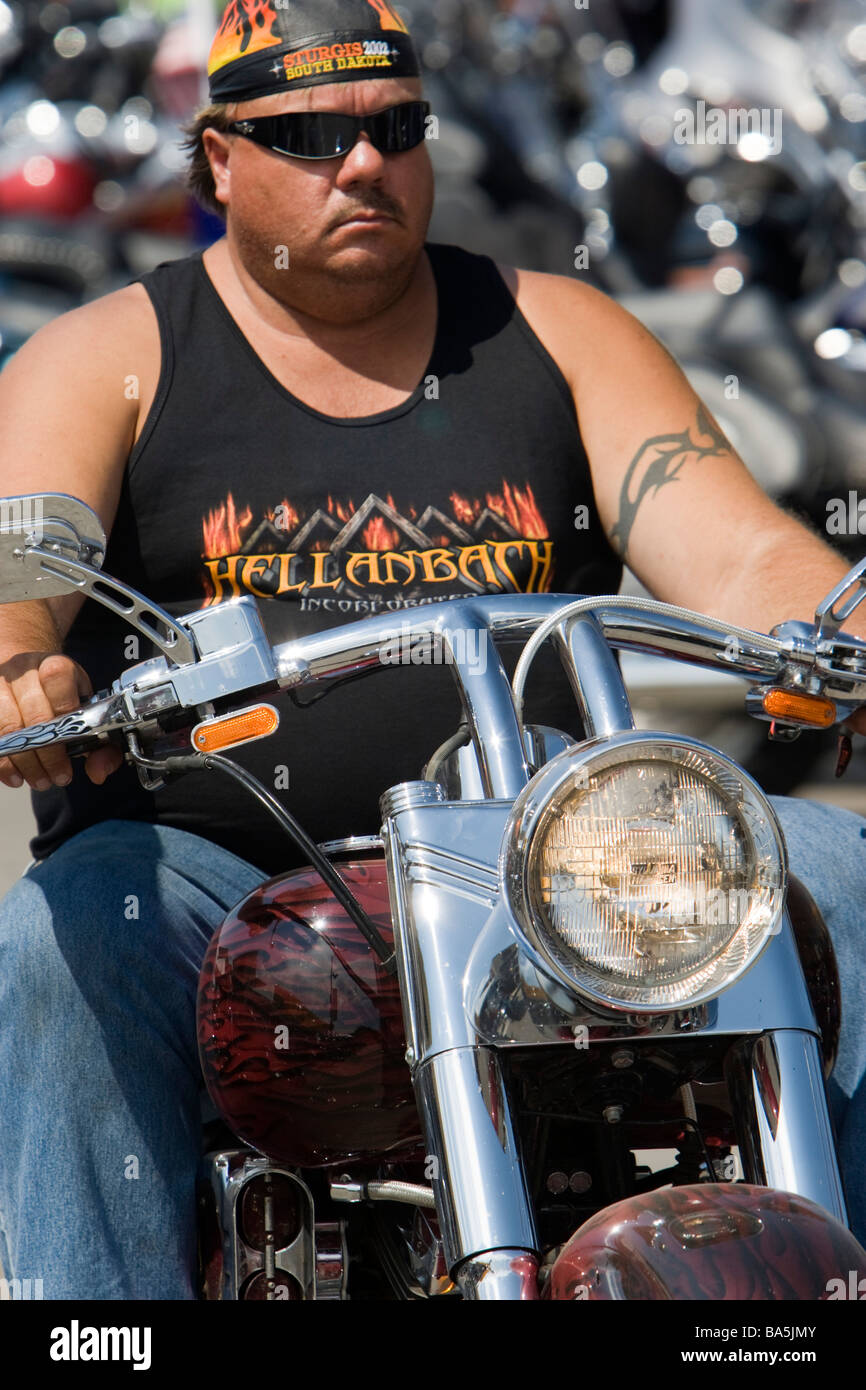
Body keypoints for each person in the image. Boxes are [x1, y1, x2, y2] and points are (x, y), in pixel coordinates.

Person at [0, 0, 864, 1299]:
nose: (363, 163)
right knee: (58, 945)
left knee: (836, 871)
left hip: (562, 867)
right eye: (309, 135)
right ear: (219, 159)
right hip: (217, 873)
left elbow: (738, 553)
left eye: (395, 127)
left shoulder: (557, 328)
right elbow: (23, 565)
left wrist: (841, 625)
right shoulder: (107, 356)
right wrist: (20, 658)